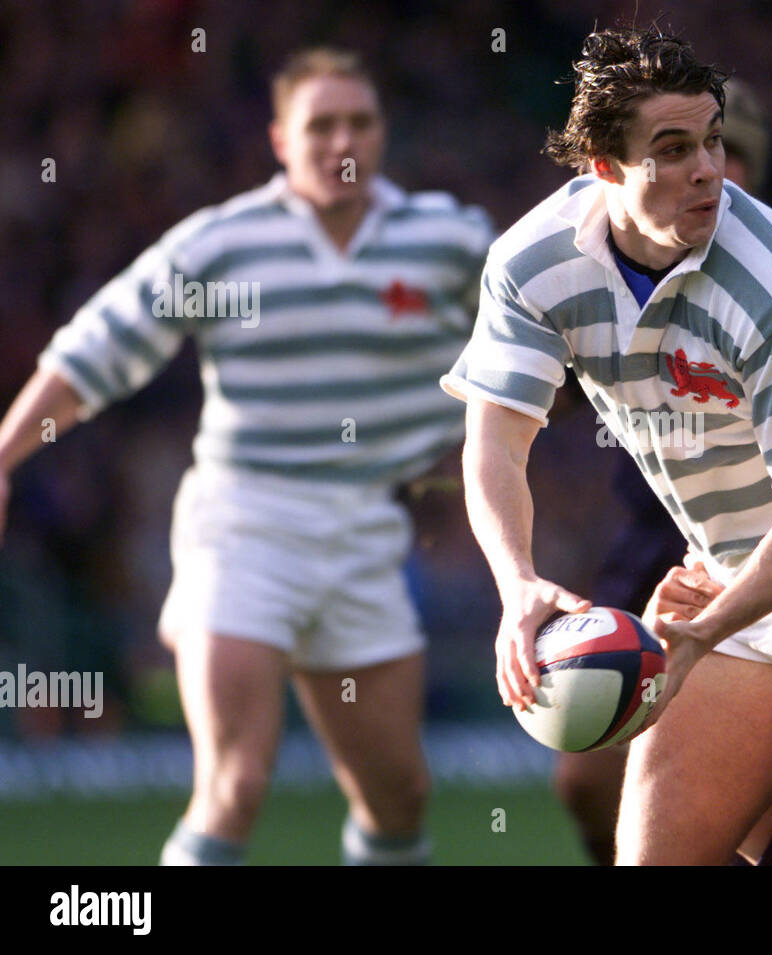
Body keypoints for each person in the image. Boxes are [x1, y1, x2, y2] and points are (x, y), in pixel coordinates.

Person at [443, 25, 772, 865]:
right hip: (726, 573)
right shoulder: (529, 264)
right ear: (603, 165)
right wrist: (519, 586)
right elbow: (496, 444)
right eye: (674, 148)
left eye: (714, 140)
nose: (709, 168)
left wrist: (701, 629)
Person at [0, 48, 492, 865]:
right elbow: (95, 351)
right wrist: (6, 454)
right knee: (234, 783)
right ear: (279, 139)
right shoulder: (226, 245)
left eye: (360, 122)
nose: (342, 140)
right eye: (320, 124)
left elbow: (538, 332)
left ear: (383, 133)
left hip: (368, 528)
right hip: (242, 521)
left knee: (398, 797)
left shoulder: (449, 240)